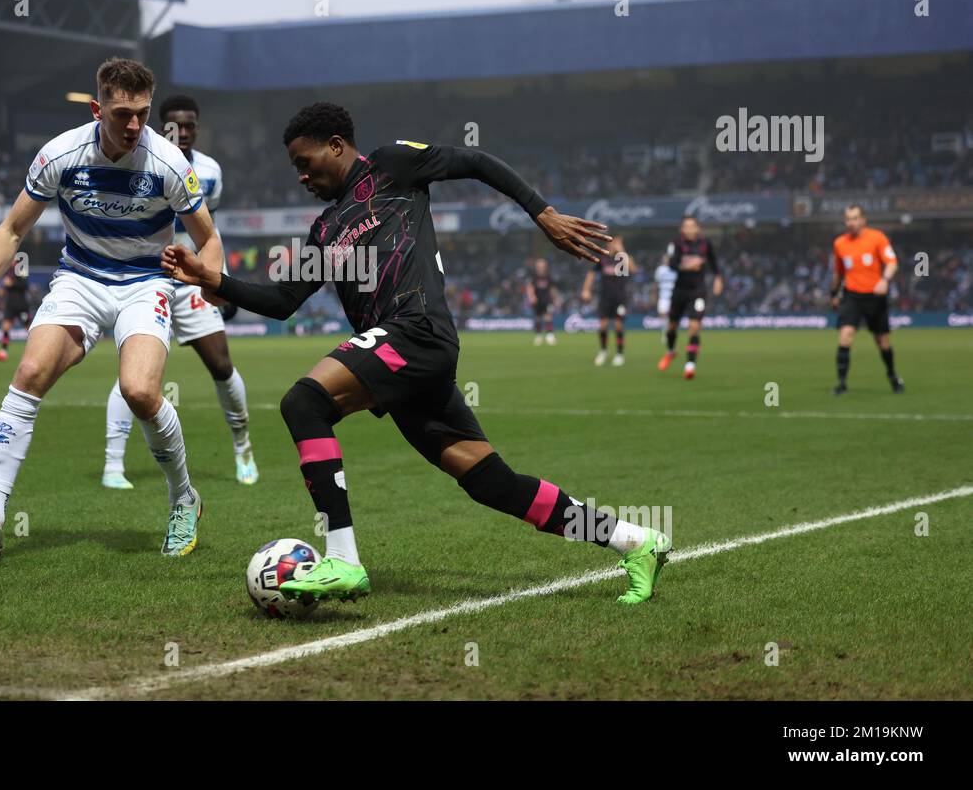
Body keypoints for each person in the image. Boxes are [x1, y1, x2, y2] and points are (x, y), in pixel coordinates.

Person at [163, 103, 671, 606]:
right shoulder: (326, 228)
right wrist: (213, 279)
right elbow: (281, 301)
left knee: (304, 403)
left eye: (305, 161)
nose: (300, 176)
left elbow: (476, 162)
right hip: (402, 362)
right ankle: (635, 541)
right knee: (491, 482)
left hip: (417, 330)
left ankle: (343, 559)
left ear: (336, 146)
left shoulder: (392, 166)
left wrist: (542, 212)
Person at [0, 58, 223, 561]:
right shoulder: (60, 153)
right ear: (98, 109)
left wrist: (208, 285)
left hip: (145, 283)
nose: (134, 126)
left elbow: (209, 240)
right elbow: (13, 230)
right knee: (30, 370)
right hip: (80, 277)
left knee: (139, 391)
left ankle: (184, 497)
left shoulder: (167, 164)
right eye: (122, 114)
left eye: (142, 113)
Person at [102, 95, 257, 488]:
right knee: (130, 374)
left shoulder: (210, 171)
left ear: (197, 128)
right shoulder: (137, 161)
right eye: (175, 125)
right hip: (145, 277)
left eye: (189, 125)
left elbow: (209, 230)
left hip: (191, 280)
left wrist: (219, 280)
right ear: (160, 125)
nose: (182, 132)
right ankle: (113, 464)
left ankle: (243, 448)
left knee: (221, 366)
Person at [830, 205, 903, 394]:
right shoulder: (839, 243)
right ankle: (841, 384)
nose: (851, 222)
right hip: (852, 295)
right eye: (848, 219)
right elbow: (838, 272)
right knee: (845, 336)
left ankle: (893, 376)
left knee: (882, 342)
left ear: (863, 220)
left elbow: (892, 263)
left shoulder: (877, 238)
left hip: (875, 296)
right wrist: (834, 293)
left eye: (854, 218)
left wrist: (885, 280)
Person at [657, 216, 723, 380]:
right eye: (686, 226)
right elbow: (672, 264)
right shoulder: (677, 244)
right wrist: (687, 265)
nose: (689, 229)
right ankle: (670, 352)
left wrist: (718, 279)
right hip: (679, 291)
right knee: (672, 327)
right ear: (682, 229)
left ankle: (690, 365)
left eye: (692, 226)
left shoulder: (705, 244)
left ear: (697, 228)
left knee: (694, 327)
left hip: (697, 291)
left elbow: (714, 263)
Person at [581, 236, 634, 366]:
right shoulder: (603, 258)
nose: (616, 245)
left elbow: (633, 269)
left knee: (618, 325)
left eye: (618, 243)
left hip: (620, 298)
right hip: (605, 297)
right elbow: (591, 273)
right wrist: (586, 289)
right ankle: (603, 351)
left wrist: (622, 251)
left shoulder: (622, 258)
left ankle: (619, 354)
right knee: (603, 325)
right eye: (614, 242)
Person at [0, 265, 31, 362]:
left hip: (21, 306)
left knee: (29, 329)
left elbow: (25, 285)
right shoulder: (7, 271)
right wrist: (3, 289)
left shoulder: (21, 271)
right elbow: (6, 286)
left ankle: (37, 350)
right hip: (10, 306)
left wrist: (12, 284)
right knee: (5, 327)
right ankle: (3, 353)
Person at [525, 257, 556, 346]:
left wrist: (554, 298)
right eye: (539, 266)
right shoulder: (533, 277)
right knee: (538, 317)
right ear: (536, 267)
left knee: (548, 316)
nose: (541, 267)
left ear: (545, 266)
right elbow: (530, 287)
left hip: (547, 299)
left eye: (542, 265)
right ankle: (538, 336)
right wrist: (531, 297)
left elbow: (552, 288)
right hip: (537, 300)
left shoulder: (548, 276)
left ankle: (550, 336)